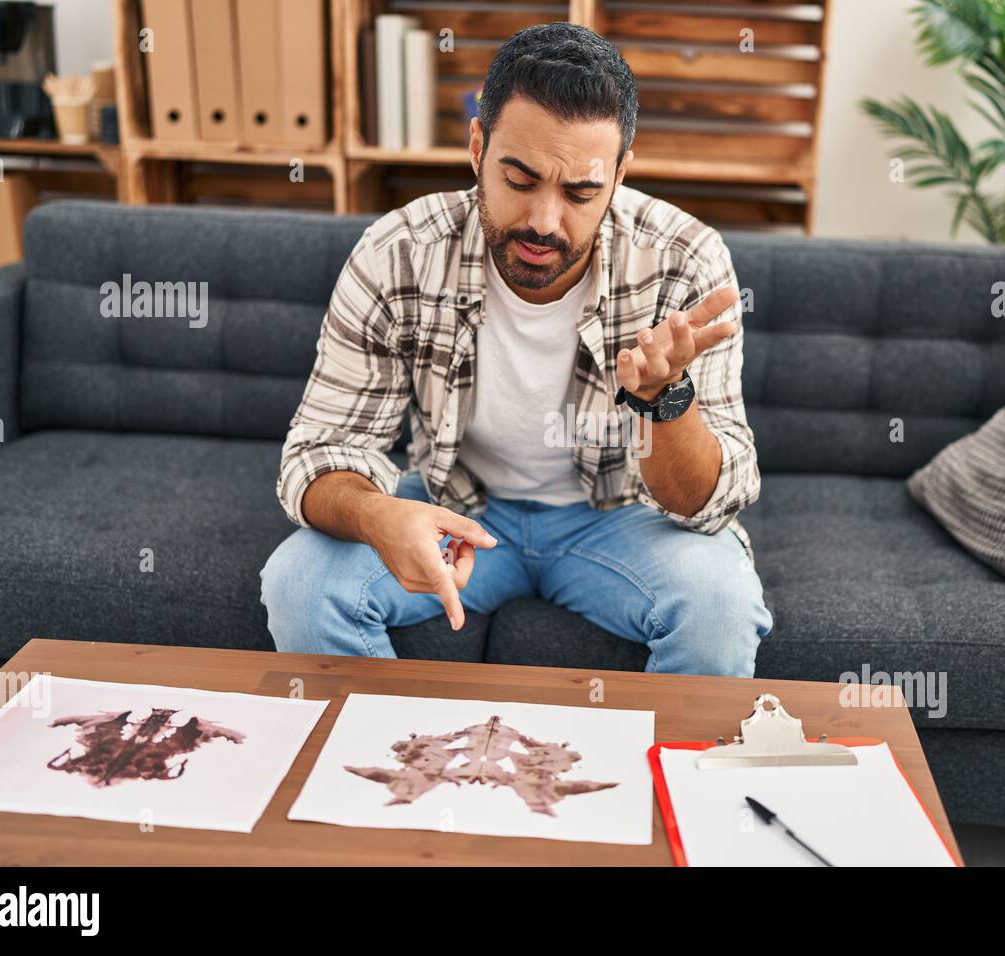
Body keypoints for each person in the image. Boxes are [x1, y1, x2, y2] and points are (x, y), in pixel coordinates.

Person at [260, 22, 771, 676]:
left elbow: (710, 500)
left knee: (720, 607)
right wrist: (377, 514)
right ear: (477, 147)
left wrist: (663, 402)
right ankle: (388, 770)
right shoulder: (399, 254)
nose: (544, 222)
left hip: (616, 520)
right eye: (520, 178)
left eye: (581, 192)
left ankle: (662, 780)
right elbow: (321, 449)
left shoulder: (684, 261)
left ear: (618, 176)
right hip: (457, 506)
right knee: (301, 584)